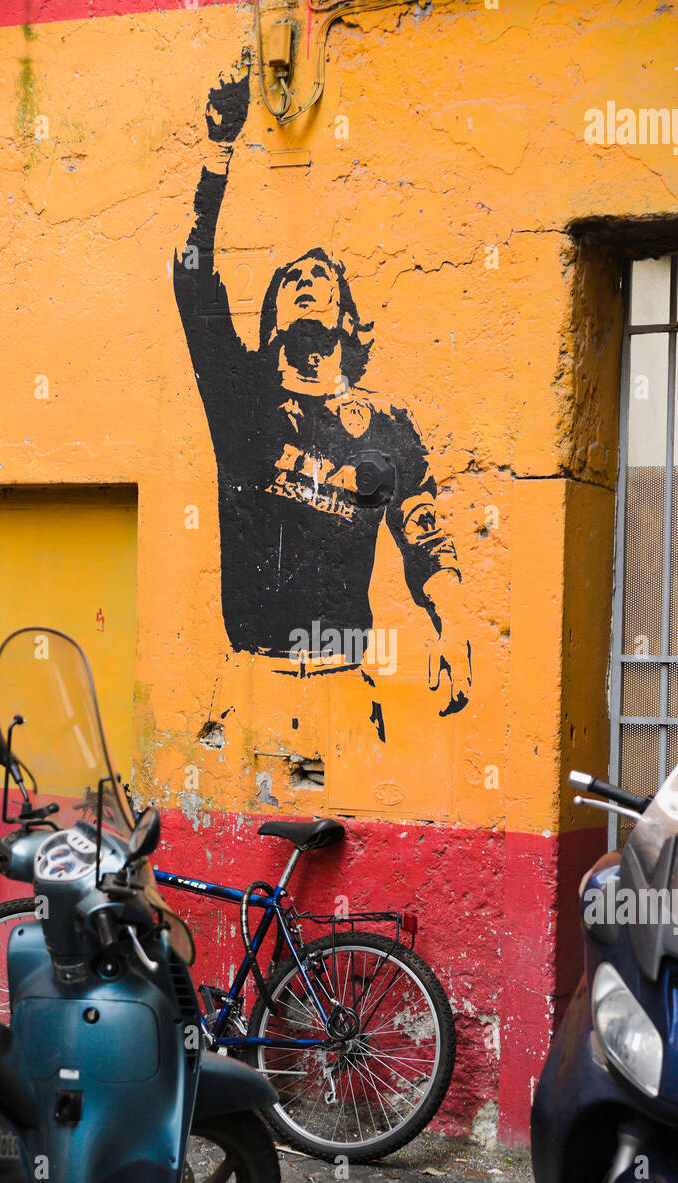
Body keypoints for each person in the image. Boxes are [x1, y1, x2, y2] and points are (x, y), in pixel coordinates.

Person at [173, 65, 471, 719]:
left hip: (347, 687)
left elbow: (426, 540)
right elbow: (190, 276)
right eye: (290, 279)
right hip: (254, 687)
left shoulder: (388, 424)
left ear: (348, 319)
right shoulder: (239, 398)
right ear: (273, 320)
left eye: (322, 276)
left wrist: (456, 634)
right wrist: (217, 151)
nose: (307, 279)